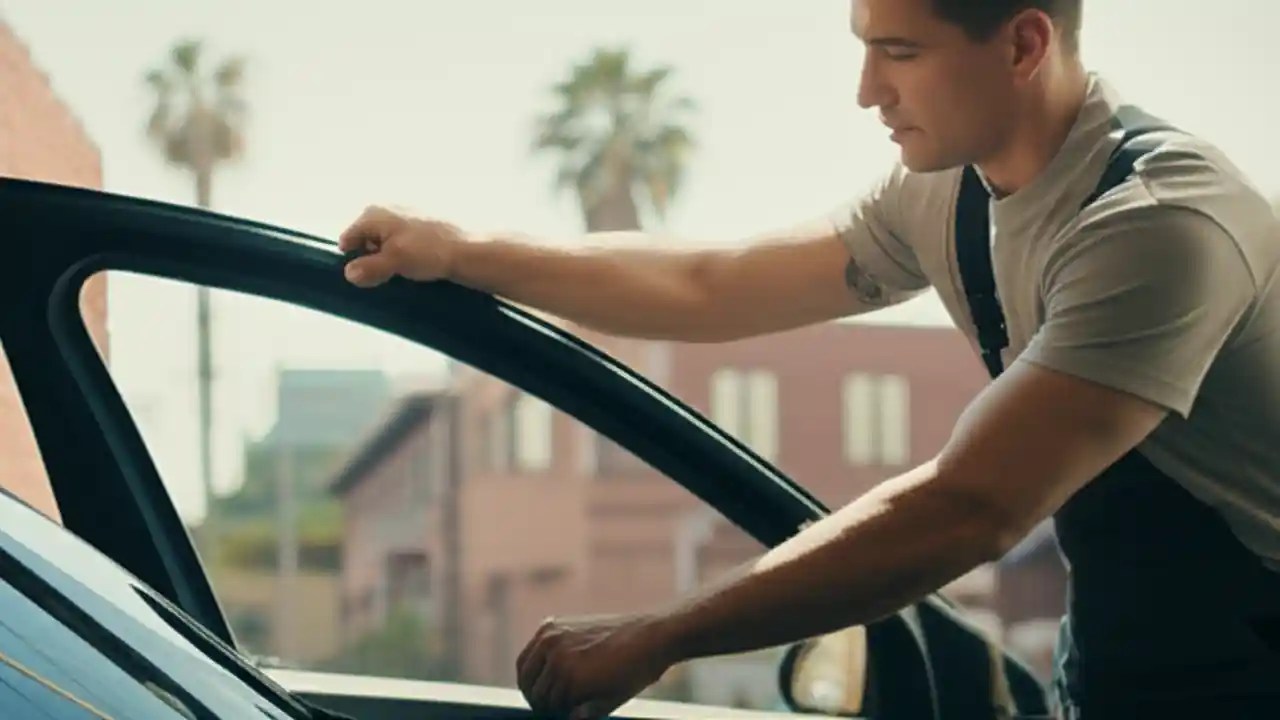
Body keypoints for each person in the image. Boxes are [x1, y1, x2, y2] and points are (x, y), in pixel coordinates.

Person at [338, 0, 1280, 717]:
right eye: (864, 46)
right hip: (1119, 674)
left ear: (1026, 46)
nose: (868, 90)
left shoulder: (1159, 226)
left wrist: (661, 635)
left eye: (900, 52)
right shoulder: (947, 194)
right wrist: (461, 252)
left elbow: (969, 508)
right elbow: (712, 285)